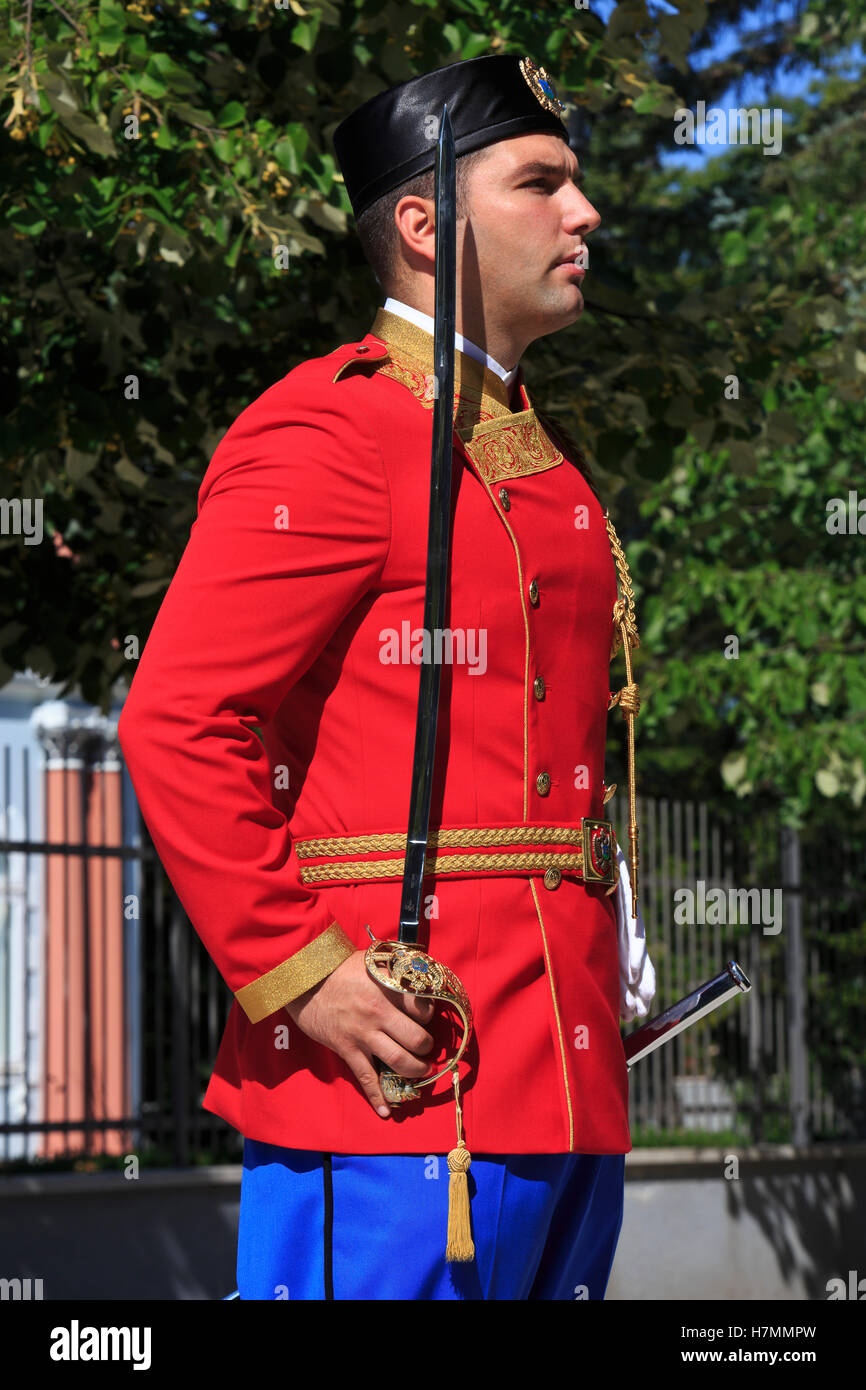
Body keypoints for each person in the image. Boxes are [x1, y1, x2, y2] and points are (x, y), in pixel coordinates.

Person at [117, 52, 655, 1301]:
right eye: (541, 184)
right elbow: (181, 720)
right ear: (423, 223)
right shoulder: (329, 431)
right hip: (396, 1078)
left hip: (560, 1074)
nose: (583, 214)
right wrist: (303, 977)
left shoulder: (537, 447)